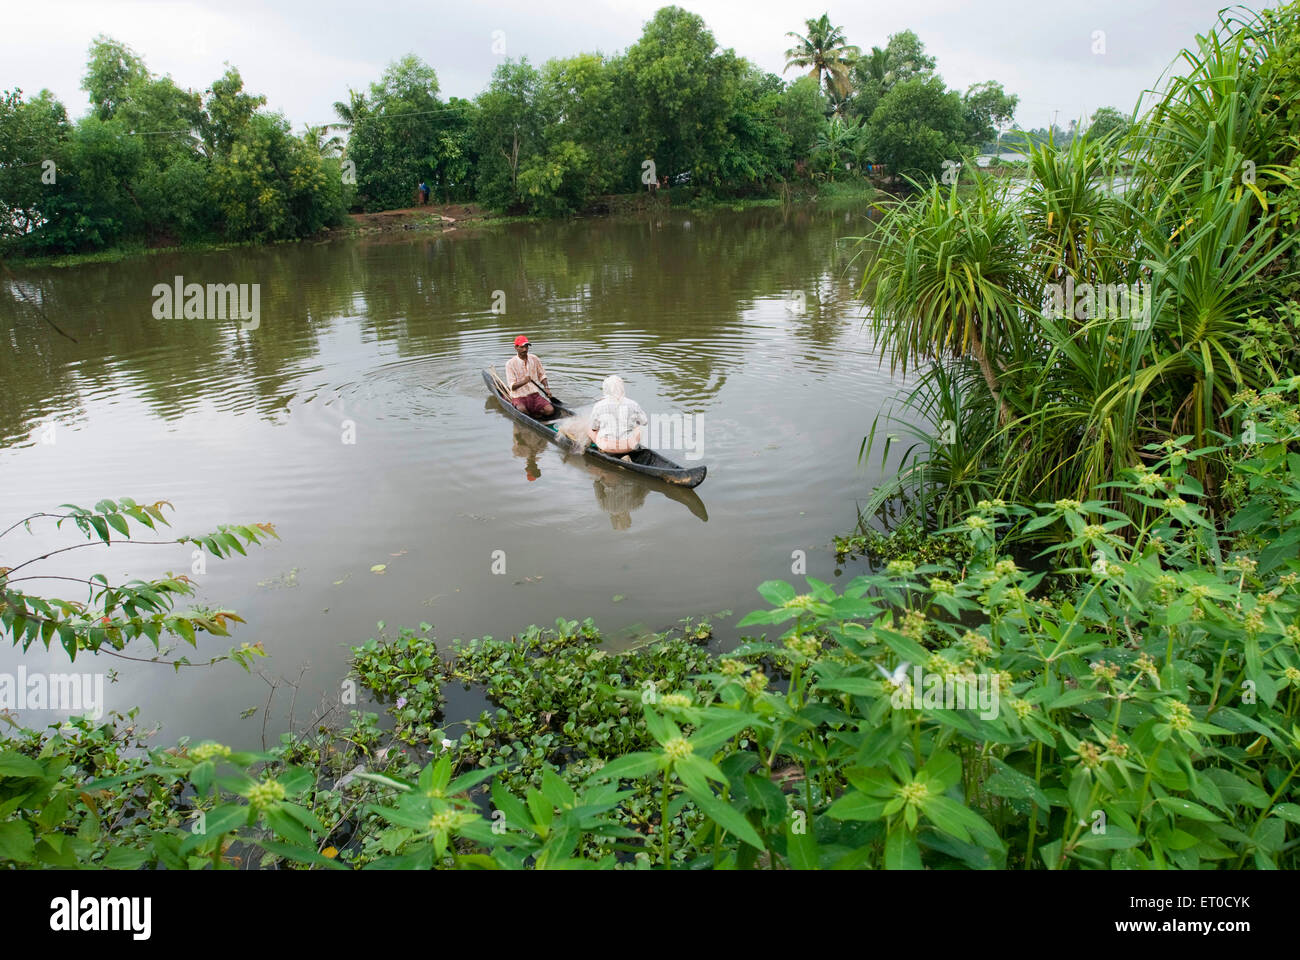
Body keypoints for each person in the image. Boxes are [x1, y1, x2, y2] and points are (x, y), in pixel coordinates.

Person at [588, 375, 647, 457]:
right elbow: (644, 422)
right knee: (638, 428)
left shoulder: (599, 405)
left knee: (589, 430)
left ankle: (600, 448)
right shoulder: (633, 404)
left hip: (607, 447)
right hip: (629, 446)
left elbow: (594, 428)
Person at [505, 335, 554, 417]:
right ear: (516, 347)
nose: (525, 349)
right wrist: (524, 381)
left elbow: (542, 375)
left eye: (526, 346)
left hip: (534, 395)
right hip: (519, 396)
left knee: (550, 410)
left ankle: (534, 415)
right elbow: (512, 386)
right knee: (522, 410)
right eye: (522, 347)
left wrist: (546, 388)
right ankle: (533, 416)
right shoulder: (510, 364)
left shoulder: (534, 359)